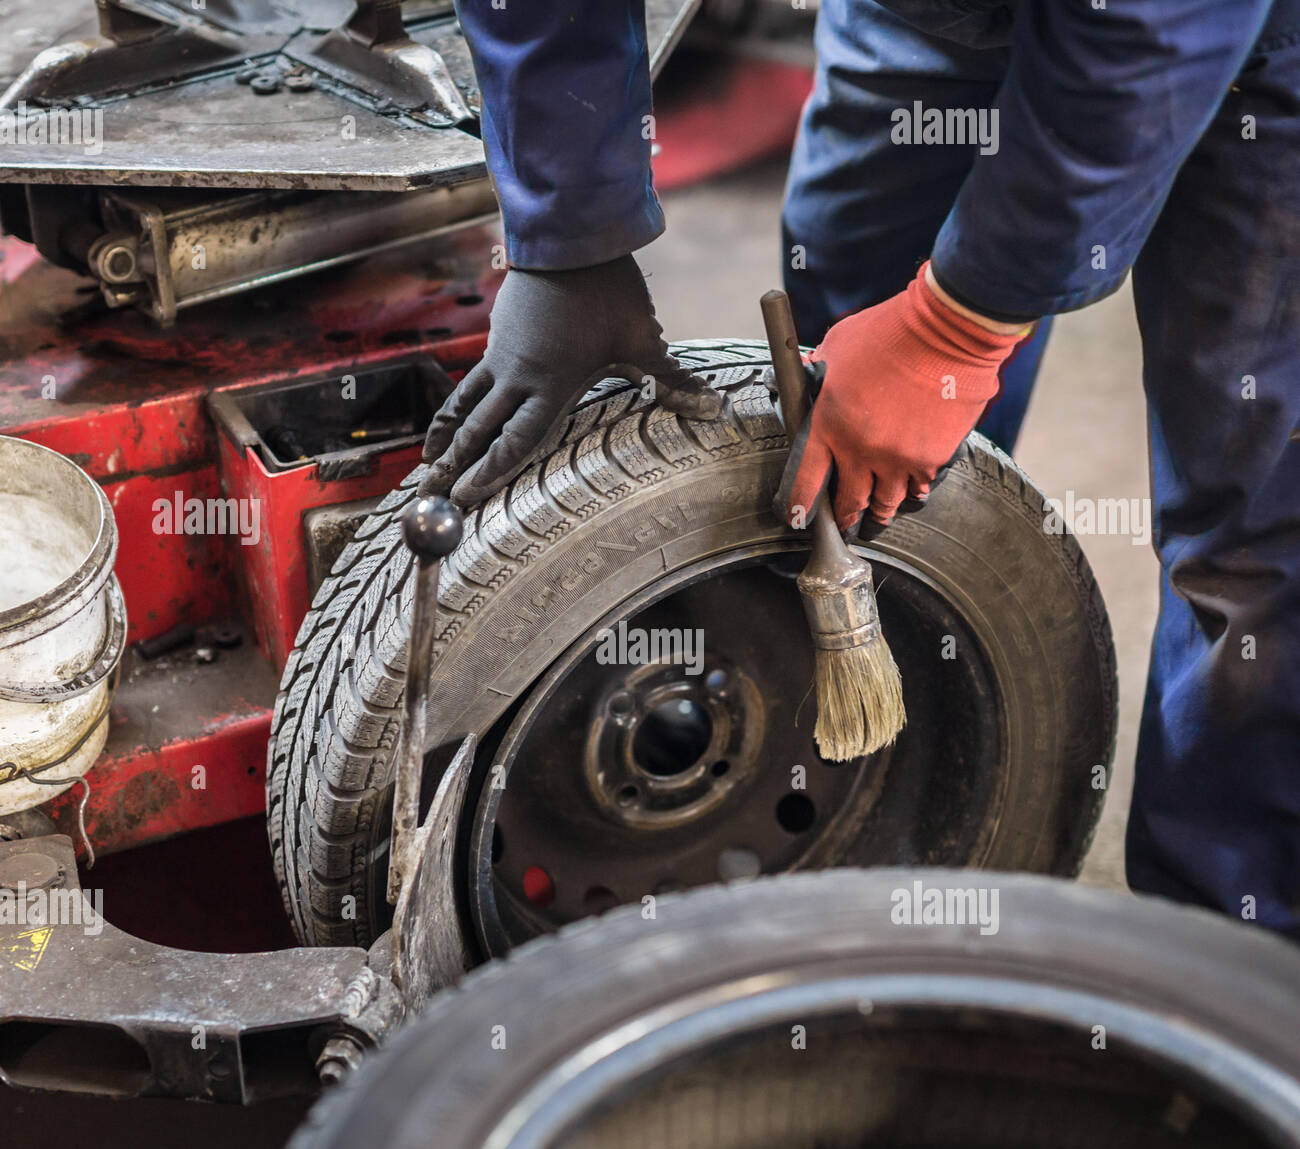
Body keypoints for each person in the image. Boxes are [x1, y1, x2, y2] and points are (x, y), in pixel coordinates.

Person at [423, 1, 1300, 935]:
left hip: (1248, 36)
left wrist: (955, 328)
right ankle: (895, 831)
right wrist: (567, 237)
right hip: (926, 22)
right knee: (842, 453)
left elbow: (1157, 21)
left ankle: (1235, 973)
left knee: (1254, 545)